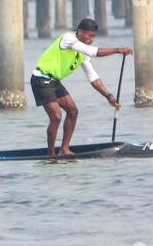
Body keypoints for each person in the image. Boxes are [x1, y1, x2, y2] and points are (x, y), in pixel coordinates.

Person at [31, 18, 130, 156]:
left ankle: (64, 149)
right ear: (80, 32)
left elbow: (93, 78)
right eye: (89, 35)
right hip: (41, 79)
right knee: (56, 116)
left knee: (73, 111)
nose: (91, 39)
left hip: (54, 81)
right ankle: (51, 154)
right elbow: (92, 52)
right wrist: (118, 50)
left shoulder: (83, 52)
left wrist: (109, 96)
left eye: (94, 36)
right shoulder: (68, 39)